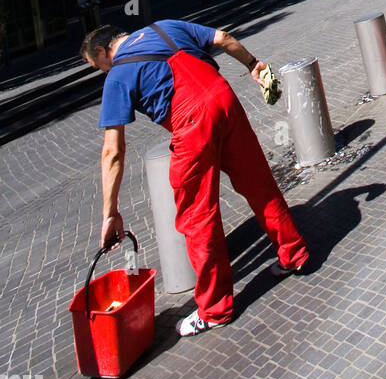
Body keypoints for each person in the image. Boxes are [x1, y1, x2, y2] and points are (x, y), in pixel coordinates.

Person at [81, 18, 309, 338]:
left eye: (97, 66)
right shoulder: (165, 27)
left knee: (197, 217)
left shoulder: (118, 75)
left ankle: (215, 310)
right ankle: (295, 254)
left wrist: (110, 212)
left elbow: (113, 152)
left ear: (104, 51)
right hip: (224, 99)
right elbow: (224, 38)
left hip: (191, 123)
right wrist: (254, 65)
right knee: (258, 183)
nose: (102, 71)